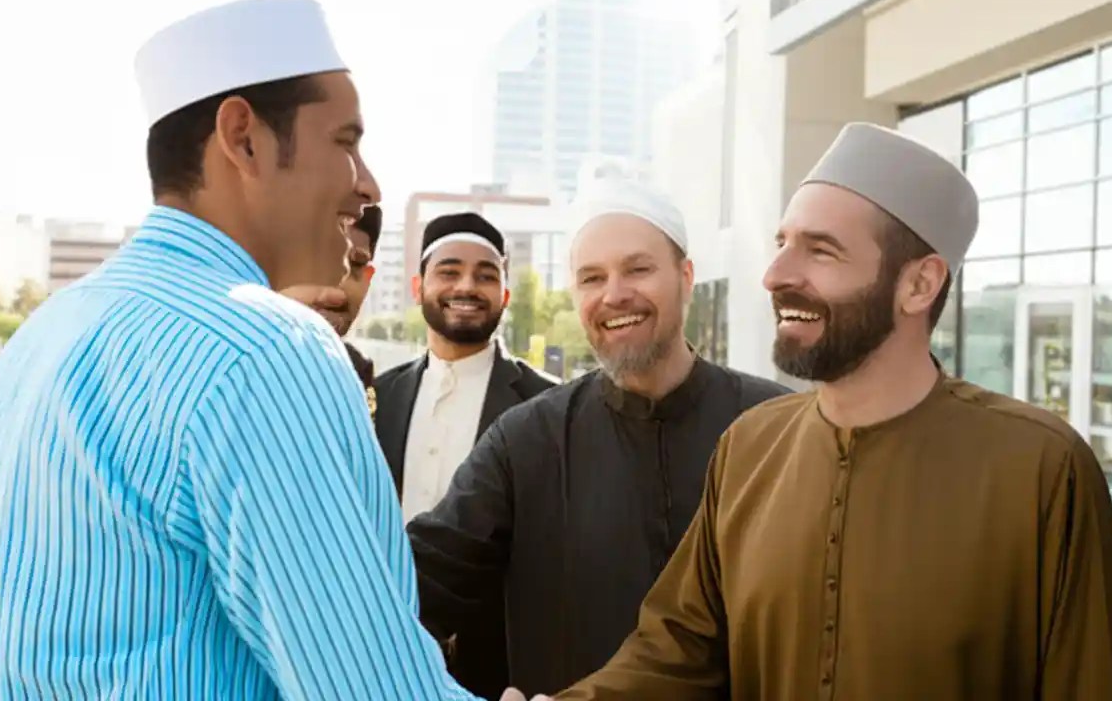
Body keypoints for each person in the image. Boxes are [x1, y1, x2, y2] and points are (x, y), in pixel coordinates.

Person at [0, 0, 484, 700]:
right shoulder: (266, 350)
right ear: (245, 138)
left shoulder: (42, 336)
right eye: (345, 141)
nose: (367, 183)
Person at [553, 123, 1112, 701]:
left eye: (821, 251)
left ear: (918, 284)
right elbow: (676, 652)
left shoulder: (1041, 468)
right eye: (782, 243)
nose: (776, 275)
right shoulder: (749, 448)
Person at [407, 179, 789, 698]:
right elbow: (420, 581)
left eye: (638, 269)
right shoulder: (526, 440)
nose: (614, 294)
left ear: (686, 276)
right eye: (592, 278)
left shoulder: (776, 425)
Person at [375, 212, 557, 699]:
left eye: (485, 275)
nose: (467, 286)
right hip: (387, 658)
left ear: (506, 296)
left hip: (503, 673)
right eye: (450, 271)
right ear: (418, 287)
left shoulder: (549, 405)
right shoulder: (373, 397)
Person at [283, 203, 383, 415]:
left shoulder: (360, 378)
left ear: (368, 278)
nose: (338, 287)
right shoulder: (227, 368)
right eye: (319, 257)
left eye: (355, 264)